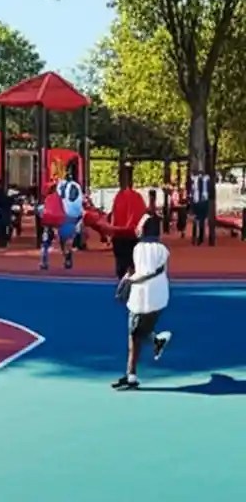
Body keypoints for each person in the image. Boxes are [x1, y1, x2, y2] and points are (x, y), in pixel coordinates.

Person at [113, 214, 173, 390]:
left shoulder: (138, 248)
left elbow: (140, 272)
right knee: (140, 330)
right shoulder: (163, 249)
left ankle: (131, 376)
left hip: (141, 298)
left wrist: (127, 281)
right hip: (160, 298)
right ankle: (157, 341)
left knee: (134, 335)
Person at [109, 165, 148, 280]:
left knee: (123, 266)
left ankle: (125, 280)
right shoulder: (132, 197)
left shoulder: (121, 197)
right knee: (130, 265)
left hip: (124, 236)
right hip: (128, 236)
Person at [189, 168, 211, 245]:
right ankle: (195, 237)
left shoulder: (207, 179)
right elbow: (191, 191)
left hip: (204, 202)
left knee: (201, 221)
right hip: (196, 201)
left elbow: (210, 190)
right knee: (196, 220)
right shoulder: (194, 180)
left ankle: (200, 238)